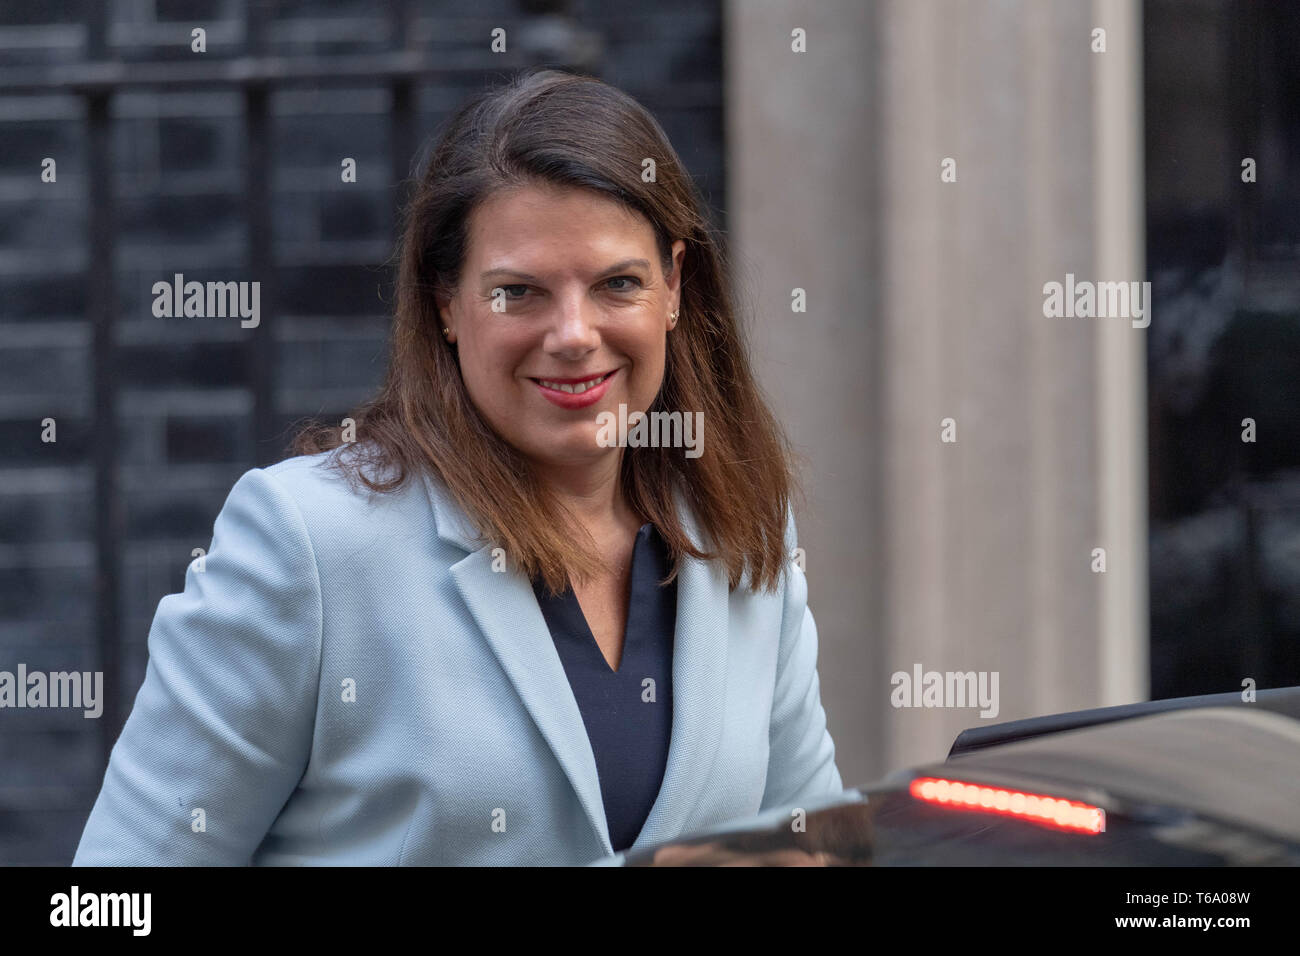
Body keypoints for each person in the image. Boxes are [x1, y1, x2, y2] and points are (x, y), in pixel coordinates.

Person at [73, 67, 842, 866]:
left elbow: (816, 843)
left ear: (675, 285)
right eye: (520, 293)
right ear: (446, 302)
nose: (575, 334)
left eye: (619, 283)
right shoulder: (310, 543)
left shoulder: (738, 524)